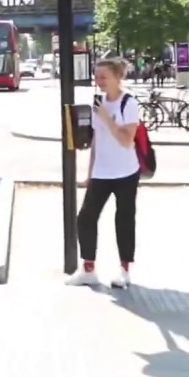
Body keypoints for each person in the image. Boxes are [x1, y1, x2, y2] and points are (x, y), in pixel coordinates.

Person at [67, 58, 142, 289]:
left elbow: (126, 140)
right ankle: (88, 269)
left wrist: (108, 120)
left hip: (126, 172)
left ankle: (124, 271)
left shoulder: (128, 103)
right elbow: (97, 142)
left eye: (103, 77)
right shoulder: (97, 104)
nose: (98, 81)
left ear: (117, 78)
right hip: (102, 171)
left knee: (124, 219)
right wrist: (89, 174)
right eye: (96, 76)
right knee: (86, 217)